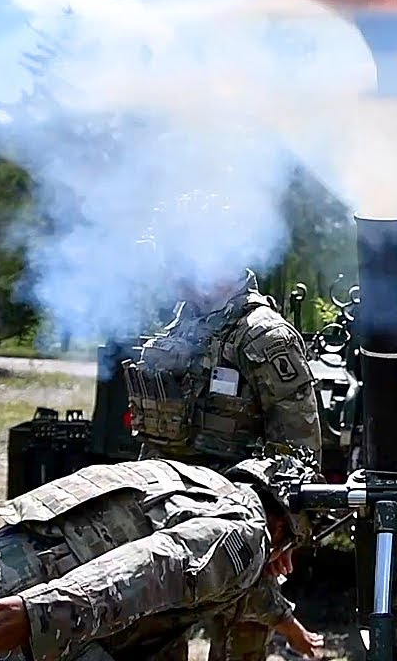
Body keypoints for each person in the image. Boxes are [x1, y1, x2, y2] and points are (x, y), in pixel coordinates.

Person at [0, 451, 319, 661]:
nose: (283, 561)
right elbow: (152, 566)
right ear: (281, 527)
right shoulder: (247, 530)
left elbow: (227, 583)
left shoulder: (197, 485)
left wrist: (293, 630)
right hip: (11, 621)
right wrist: (38, 613)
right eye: (288, 547)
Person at [123, 267, 324, 661]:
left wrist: (284, 530)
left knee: (240, 643)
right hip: (165, 514)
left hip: (236, 522)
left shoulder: (264, 336)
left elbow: (298, 450)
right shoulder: (184, 324)